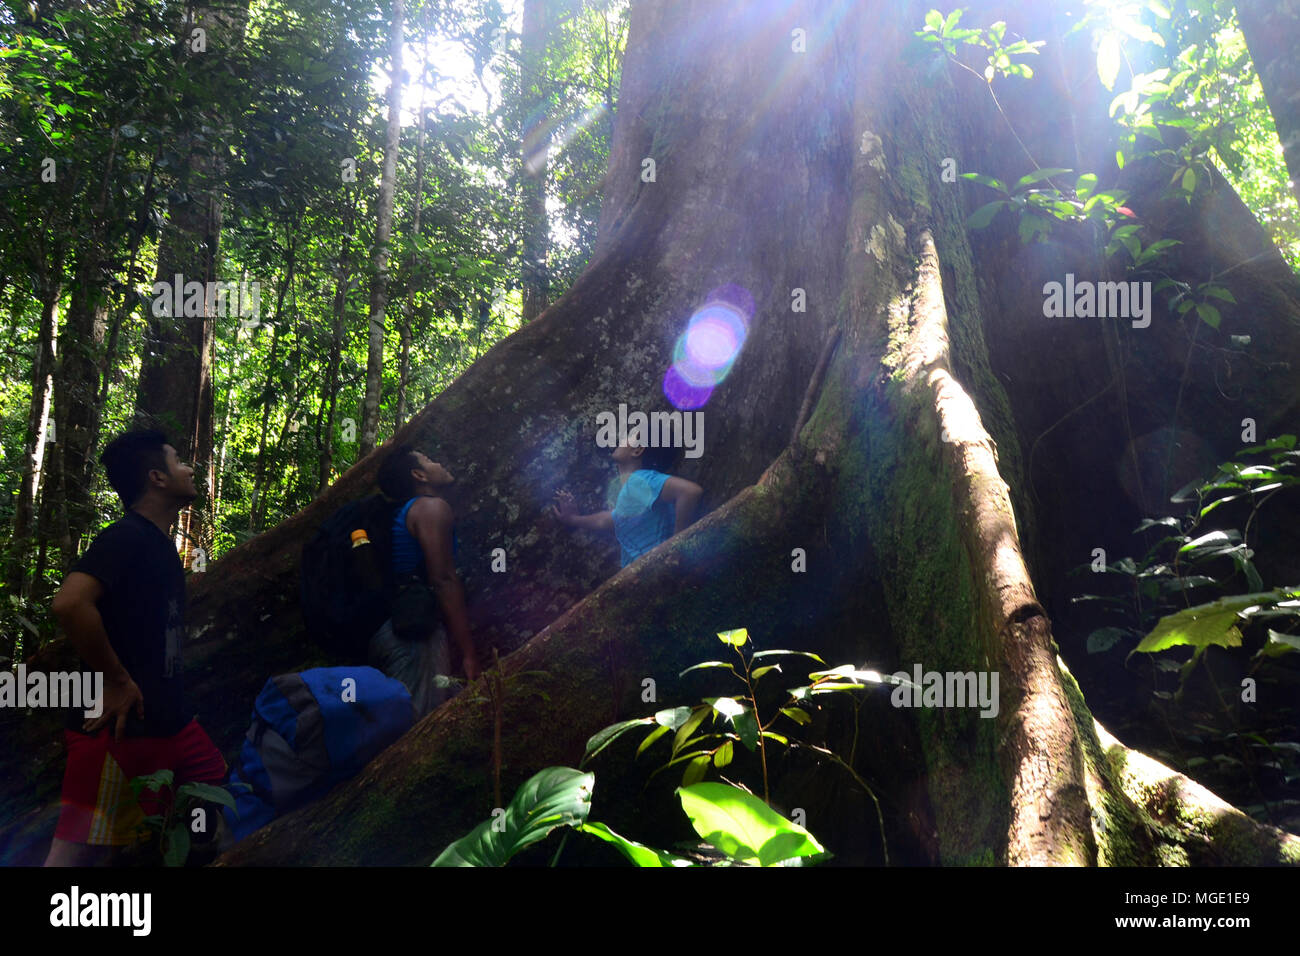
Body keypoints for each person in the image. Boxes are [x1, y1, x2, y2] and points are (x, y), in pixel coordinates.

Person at [44, 430, 227, 866]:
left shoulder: (160, 546)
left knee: (213, 786)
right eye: (178, 460)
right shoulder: (126, 537)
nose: (189, 467)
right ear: (157, 478)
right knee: (78, 854)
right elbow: (69, 603)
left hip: (171, 725)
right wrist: (117, 679)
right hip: (116, 732)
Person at [370, 446, 479, 716]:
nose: (439, 463)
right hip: (414, 639)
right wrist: (469, 653)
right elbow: (442, 579)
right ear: (419, 475)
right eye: (429, 460)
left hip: (401, 630)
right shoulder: (431, 508)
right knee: (419, 725)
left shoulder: (410, 511)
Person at [553, 441, 704, 567]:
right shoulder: (634, 489)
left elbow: (690, 492)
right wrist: (573, 519)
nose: (620, 440)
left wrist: (676, 545)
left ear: (638, 450)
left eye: (628, 436)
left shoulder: (639, 480)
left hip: (660, 573)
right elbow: (610, 520)